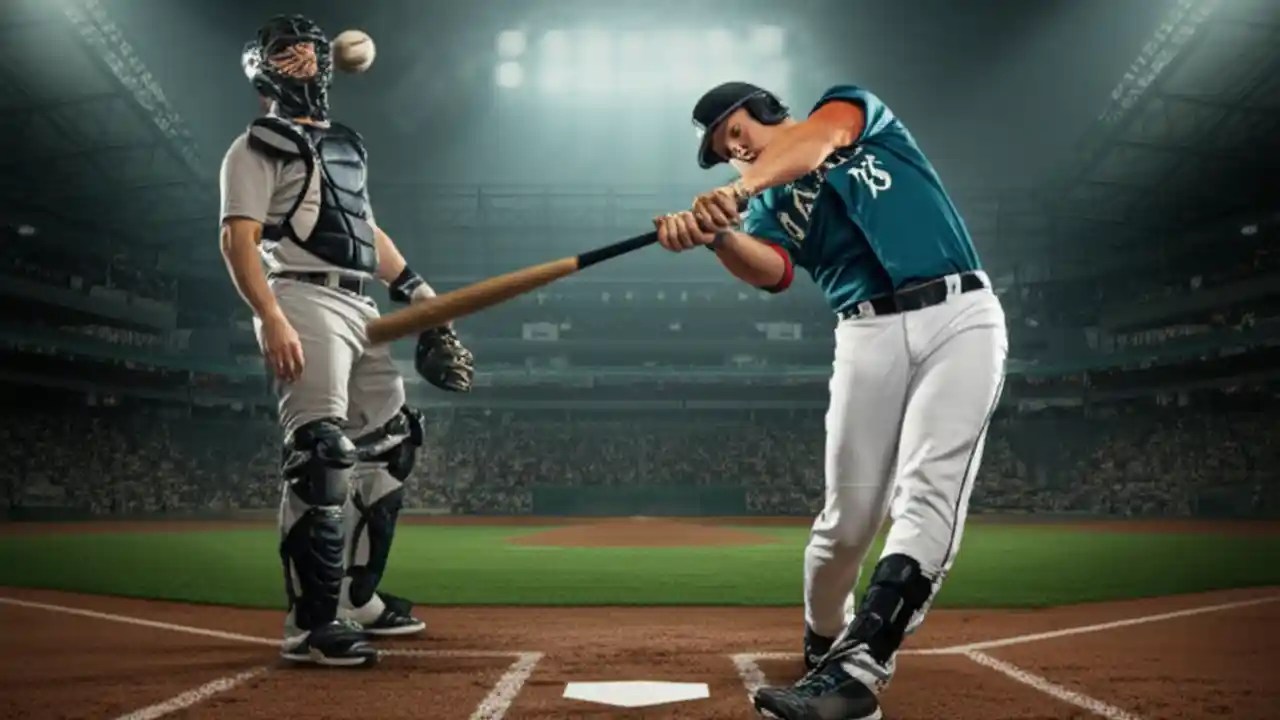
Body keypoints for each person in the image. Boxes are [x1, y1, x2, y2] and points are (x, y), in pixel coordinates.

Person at [654, 81, 1008, 719]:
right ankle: (825, 640)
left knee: (927, 492)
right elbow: (774, 271)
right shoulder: (765, 203)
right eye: (724, 150)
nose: (736, 149)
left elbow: (819, 142)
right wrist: (716, 236)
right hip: (865, 331)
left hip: (960, 314)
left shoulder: (847, 111)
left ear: (766, 107)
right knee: (846, 524)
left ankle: (858, 673)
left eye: (737, 130)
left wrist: (737, 190)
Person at [218, 14, 475, 667]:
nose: (305, 60)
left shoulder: (346, 146)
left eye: (311, 51)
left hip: (359, 299)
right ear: (263, 68)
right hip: (300, 295)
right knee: (321, 452)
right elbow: (237, 239)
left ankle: (356, 601)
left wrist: (418, 292)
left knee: (390, 444)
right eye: (288, 52)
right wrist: (271, 314)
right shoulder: (253, 148)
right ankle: (309, 625)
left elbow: (366, 229)